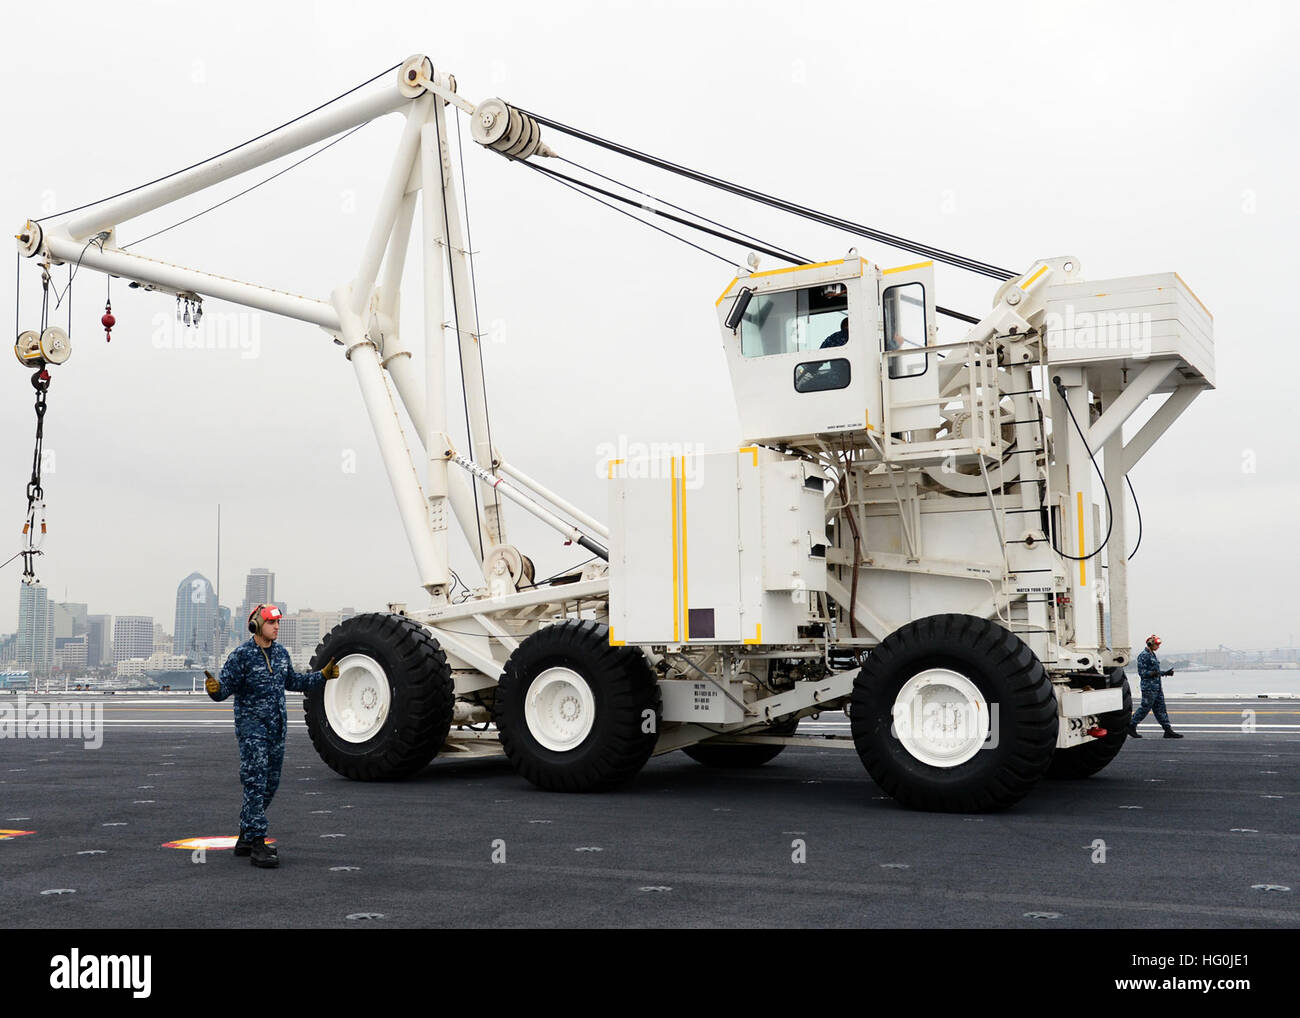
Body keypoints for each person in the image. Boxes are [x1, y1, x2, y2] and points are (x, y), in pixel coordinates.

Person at [205, 604, 340, 867]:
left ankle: (245, 838)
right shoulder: (241, 656)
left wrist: (322, 676)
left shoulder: (280, 654)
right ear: (256, 625)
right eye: (271, 622)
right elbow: (223, 690)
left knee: (270, 785)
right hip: (252, 730)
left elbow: (293, 682)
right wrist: (214, 690)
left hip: (276, 730)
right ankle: (258, 844)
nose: (276, 627)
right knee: (255, 783)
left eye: (278, 623)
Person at [1128, 633, 1182, 739]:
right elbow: (1143, 673)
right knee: (1145, 708)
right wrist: (1155, 673)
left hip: (1156, 687)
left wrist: (1165, 673)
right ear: (1150, 644)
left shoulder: (1152, 654)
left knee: (1161, 709)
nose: (1158, 647)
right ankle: (1131, 725)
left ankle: (1168, 730)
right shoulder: (1144, 655)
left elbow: (1155, 671)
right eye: (1157, 645)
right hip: (1149, 687)